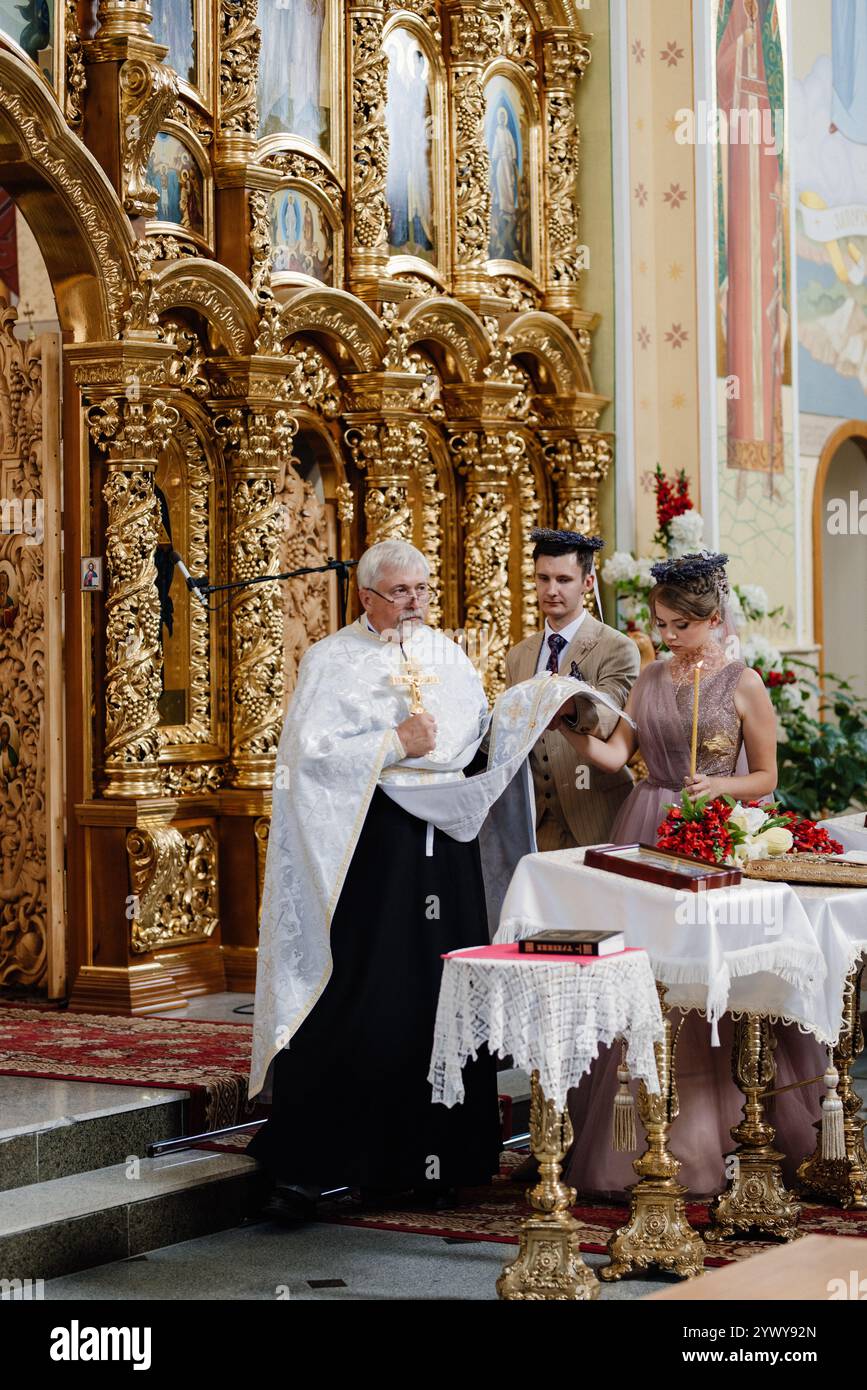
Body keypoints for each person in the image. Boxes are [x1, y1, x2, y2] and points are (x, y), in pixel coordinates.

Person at [248, 539, 598, 1221]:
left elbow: (476, 736)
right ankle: (323, 1164)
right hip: (374, 851)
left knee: (442, 993)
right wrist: (394, 743)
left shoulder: (447, 654)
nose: (415, 603)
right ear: (366, 597)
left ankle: (441, 1159)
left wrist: (525, 713)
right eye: (401, 591)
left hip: (446, 851)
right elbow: (308, 760)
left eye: (423, 589)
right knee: (369, 991)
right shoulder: (332, 661)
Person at [548, 552, 824, 1197]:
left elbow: (767, 776)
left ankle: (730, 1133)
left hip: (715, 833)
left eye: (681, 626)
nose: (668, 637)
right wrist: (568, 726)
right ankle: (638, 1139)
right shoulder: (648, 677)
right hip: (649, 828)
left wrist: (721, 786)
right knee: (652, 976)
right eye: (661, 624)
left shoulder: (744, 683)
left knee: (709, 973)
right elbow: (616, 756)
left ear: (714, 618)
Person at [505, 528, 640, 849]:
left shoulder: (617, 647)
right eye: (543, 579)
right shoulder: (518, 655)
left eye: (564, 580)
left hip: (598, 815)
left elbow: (608, 716)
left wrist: (564, 705)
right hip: (537, 822)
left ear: (588, 582)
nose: (551, 590)